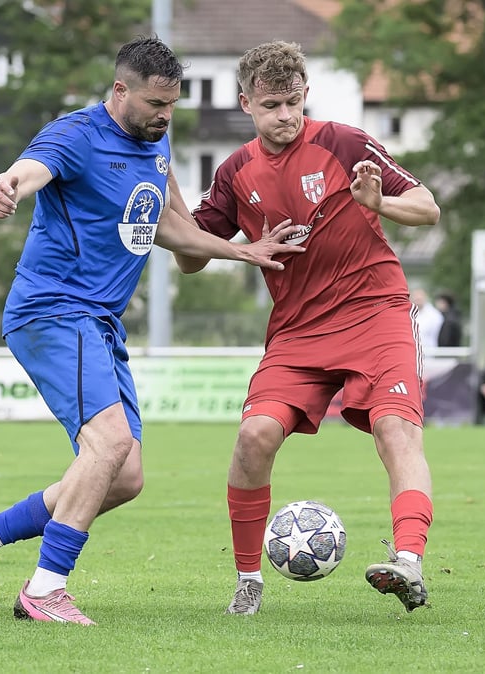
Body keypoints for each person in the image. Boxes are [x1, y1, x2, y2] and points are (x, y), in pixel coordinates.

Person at [0, 37, 303, 626]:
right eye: (155, 103)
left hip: (100, 324)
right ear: (120, 90)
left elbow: (173, 230)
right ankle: (45, 589)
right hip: (53, 310)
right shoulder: (77, 134)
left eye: (172, 105)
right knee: (107, 445)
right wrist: (7, 183)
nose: (165, 116)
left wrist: (245, 251)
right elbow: (32, 168)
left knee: (125, 474)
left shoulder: (155, 147)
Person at [177, 41, 442, 615]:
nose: (285, 116)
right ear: (246, 102)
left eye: (293, 102)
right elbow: (189, 257)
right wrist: (242, 248)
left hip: (376, 312)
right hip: (298, 331)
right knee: (253, 438)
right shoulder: (233, 172)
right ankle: (248, 582)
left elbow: (427, 207)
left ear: (305, 96)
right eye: (271, 104)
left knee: (396, 431)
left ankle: (408, 562)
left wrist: (380, 203)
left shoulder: (344, 142)